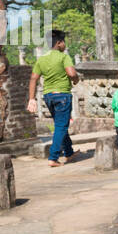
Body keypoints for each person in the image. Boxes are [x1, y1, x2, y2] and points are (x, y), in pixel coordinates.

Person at [26, 29, 79, 167]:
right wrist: (76, 79)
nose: (65, 45)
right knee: (61, 126)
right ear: (59, 43)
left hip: (48, 96)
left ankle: (69, 152)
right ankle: (53, 157)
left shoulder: (42, 59)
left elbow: (33, 78)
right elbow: (72, 73)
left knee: (60, 124)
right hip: (62, 95)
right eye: (64, 42)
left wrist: (32, 98)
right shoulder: (63, 56)